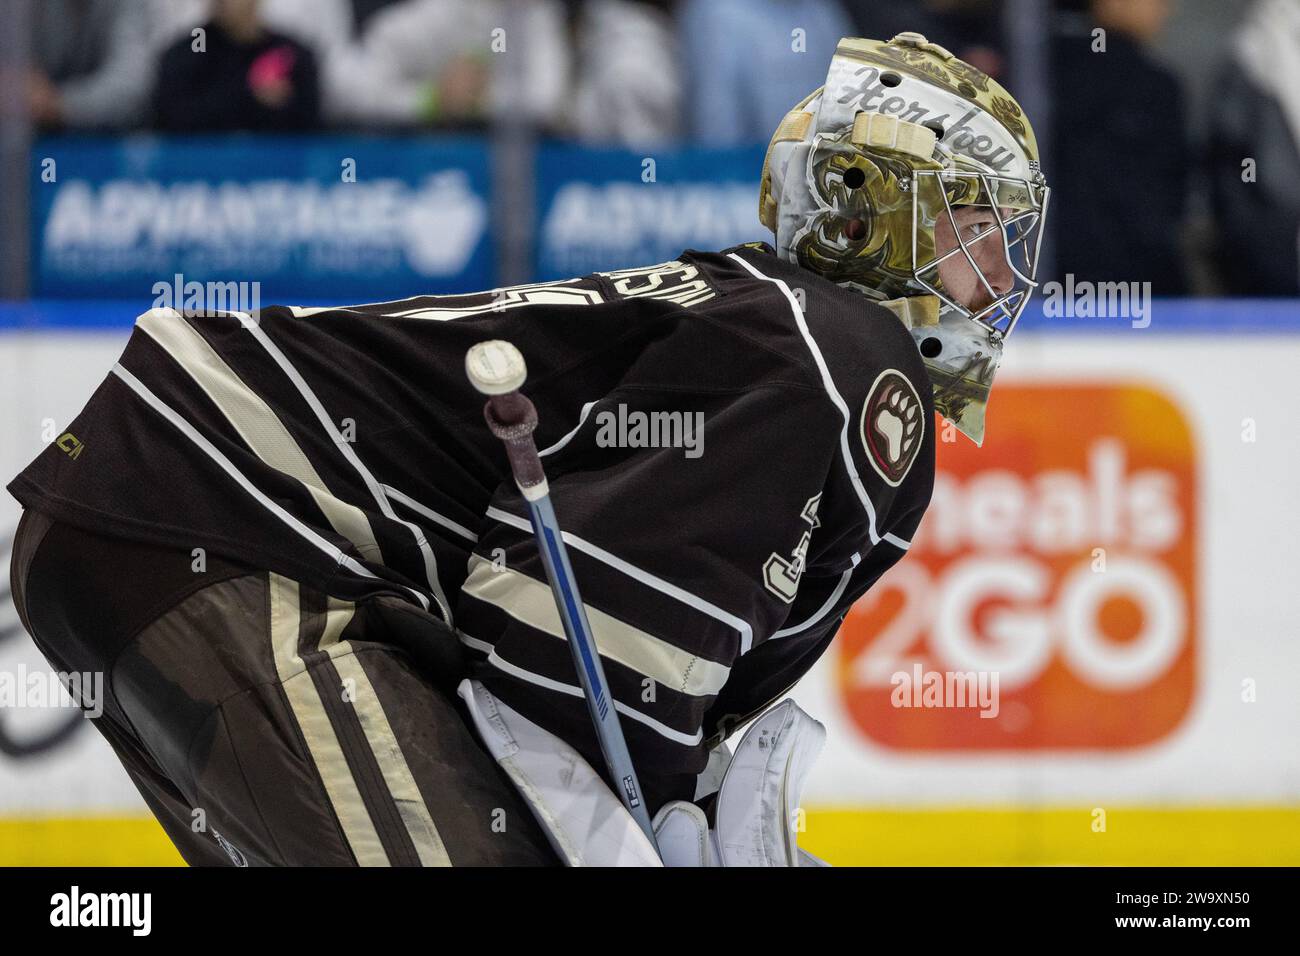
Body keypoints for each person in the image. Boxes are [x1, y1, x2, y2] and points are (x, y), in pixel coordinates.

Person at [7, 33, 1048, 866]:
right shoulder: (841, 350)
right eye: (975, 226)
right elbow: (569, 645)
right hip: (224, 524)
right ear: (869, 216)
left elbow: (571, 652)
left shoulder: (774, 322)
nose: (1001, 274)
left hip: (153, 510)